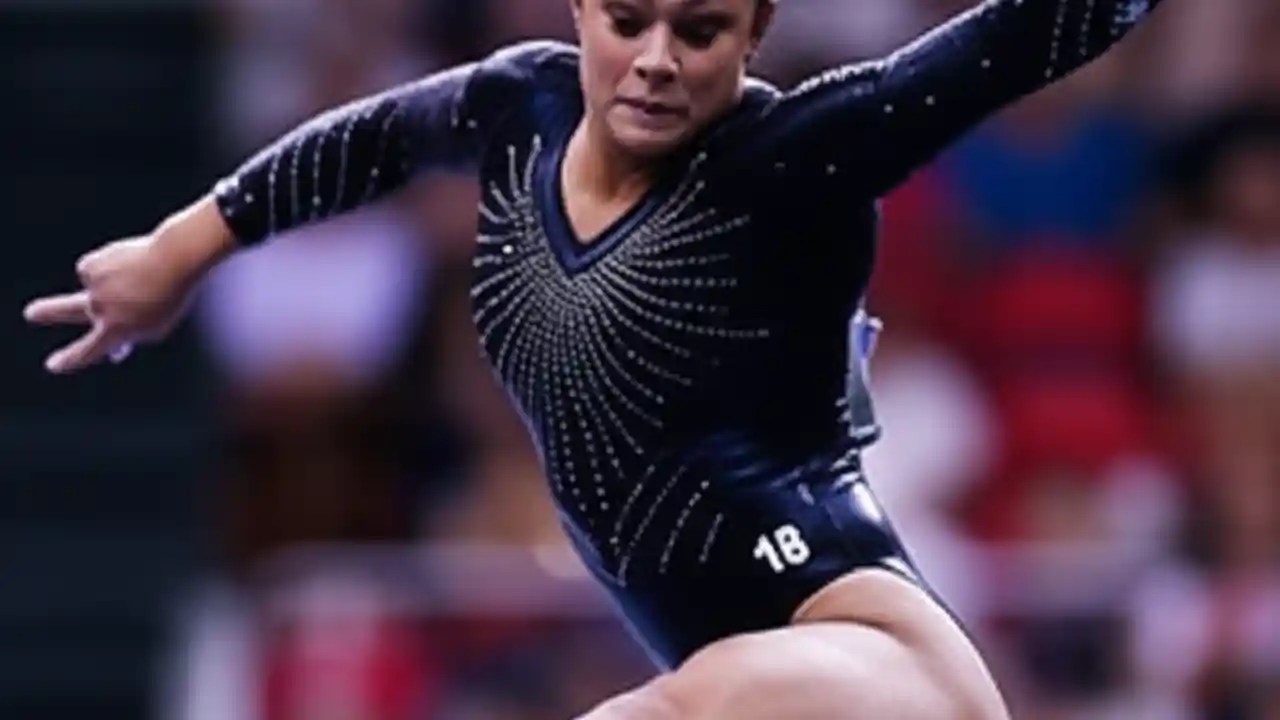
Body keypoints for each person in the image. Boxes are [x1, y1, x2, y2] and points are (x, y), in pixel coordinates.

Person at [25, 0, 1170, 716]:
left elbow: (1012, 40)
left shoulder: (793, 160)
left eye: (702, 29)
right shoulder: (517, 111)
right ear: (579, 8)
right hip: (728, 680)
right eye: (628, 20)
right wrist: (177, 252)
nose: (657, 60)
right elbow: (373, 142)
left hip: (871, 662)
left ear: (756, 26)